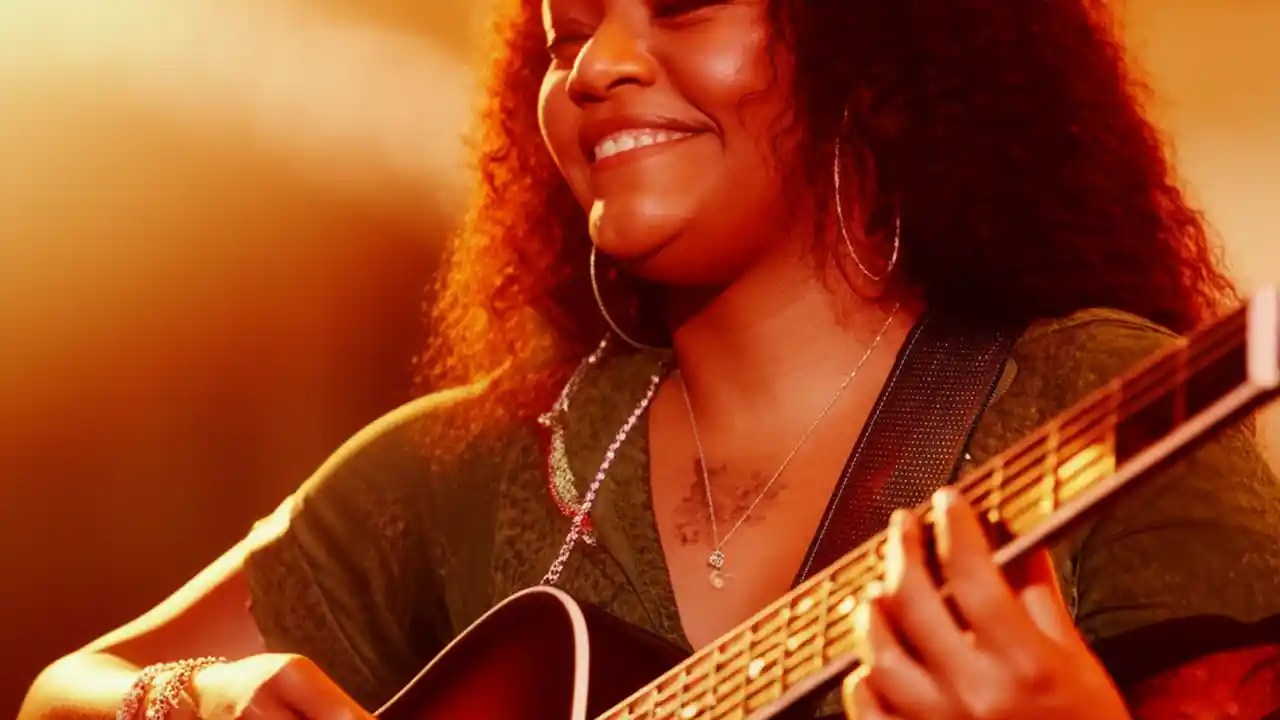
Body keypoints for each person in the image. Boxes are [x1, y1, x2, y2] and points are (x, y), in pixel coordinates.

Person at [20, 0, 1280, 718]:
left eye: (679, 1)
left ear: (871, 43)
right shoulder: (466, 465)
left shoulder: (1090, 399)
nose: (601, 67)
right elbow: (63, 691)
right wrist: (187, 703)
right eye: (568, 31)